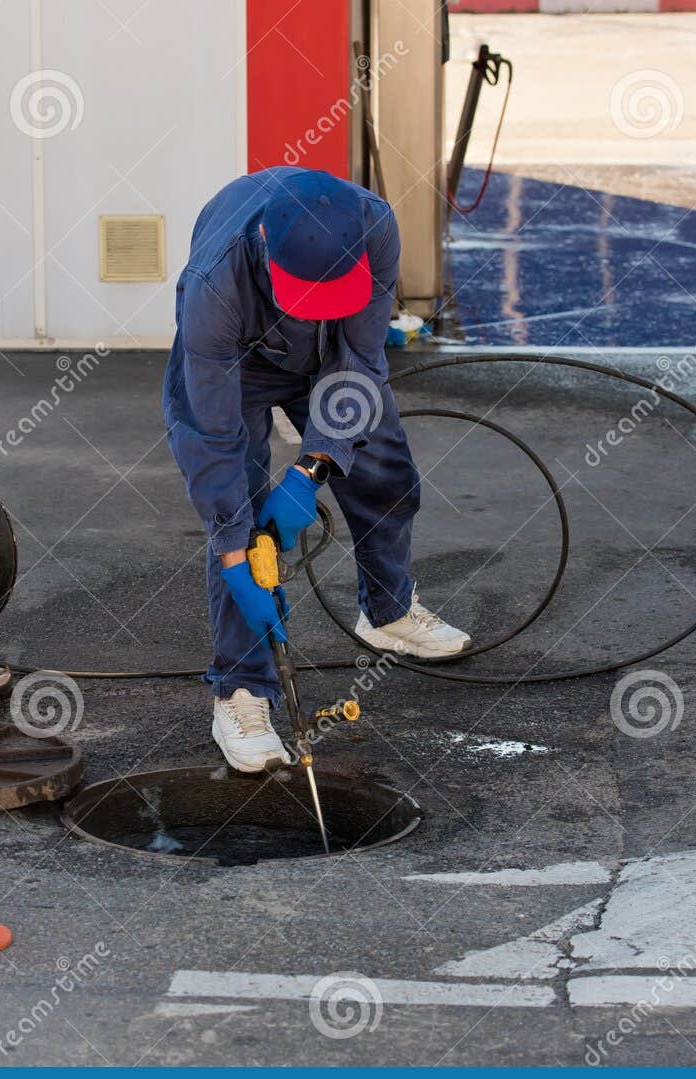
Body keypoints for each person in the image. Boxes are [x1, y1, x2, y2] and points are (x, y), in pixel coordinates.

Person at [163, 167, 471, 773]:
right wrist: (235, 557)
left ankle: (389, 610)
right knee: (247, 527)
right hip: (242, 364)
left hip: (334, 353)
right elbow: (213, 435)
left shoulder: (375, 225)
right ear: (266, 256)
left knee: (384, 471)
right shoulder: (214, 288)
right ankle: (242, 689)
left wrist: (312, 466)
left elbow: (359, 356)